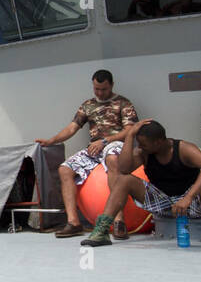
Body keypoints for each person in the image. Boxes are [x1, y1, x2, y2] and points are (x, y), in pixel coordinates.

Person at [83, 121, 201, 255]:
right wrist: (131, 136)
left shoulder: (183, 149)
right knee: (124, 179)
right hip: (163, 202)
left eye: (143, 143)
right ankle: (101, 232)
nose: (140, 147)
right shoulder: (144, 152)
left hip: (190, 202)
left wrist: (189, 197)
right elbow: (123, 168)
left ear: (159, 142)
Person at [35, 69, 139, 238]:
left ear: (111, 85)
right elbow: (72, 127)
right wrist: (51, 140)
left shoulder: (124, 104)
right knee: (65, 169)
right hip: (94, 149)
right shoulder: (88, 105)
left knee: (113, 159)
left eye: (103, 89)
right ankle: (74, 223)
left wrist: (105, 141)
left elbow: (130, 130)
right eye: (96, 89)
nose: (100, 93)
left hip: (115, 145)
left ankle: (118, 221)